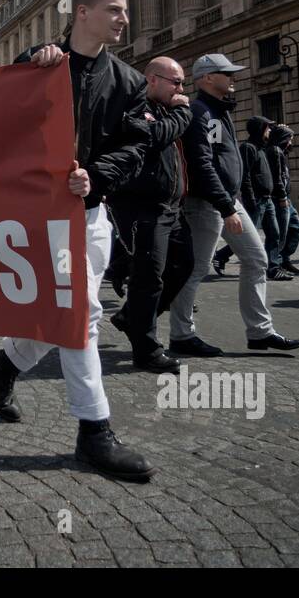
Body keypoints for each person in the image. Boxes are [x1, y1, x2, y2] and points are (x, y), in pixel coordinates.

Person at [0, 0, 157, 482]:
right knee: (83, 311)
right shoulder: (41, 65)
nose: (124, 20)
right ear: (82, 13)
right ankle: (94, 432)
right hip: (38, 214)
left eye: (126, 11)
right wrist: (28, 64)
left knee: (68, 307)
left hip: (91, 211)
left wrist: (96, 175)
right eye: (114, 10)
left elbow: (136, 146)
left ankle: (3, 365)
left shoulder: (129, 82)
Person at [167, 54, 299, 354]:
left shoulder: (218, 110)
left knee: (257, 260)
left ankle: (259, 332)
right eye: (225, 73)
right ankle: (181, 335)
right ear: (206, 78)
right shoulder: (201, 111)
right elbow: (202, 163)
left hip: (228, 200)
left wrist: (232, 201)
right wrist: (226, 206)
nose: (233, 77)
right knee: (197, 268)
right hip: (207, 203)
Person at [107, 56, 195, 374]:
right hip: (141, 207)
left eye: (183, 83)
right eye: (176, 82)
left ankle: (131, 316)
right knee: (148, 279)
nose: (182, 90)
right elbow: (155, 137)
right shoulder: (135, 106)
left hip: (170, 207)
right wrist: (183, 111)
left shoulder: (165, 110)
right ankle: (146, 350)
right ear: (153, 80)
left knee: (184, 265)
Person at [212, 116, 290, 280]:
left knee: (274, 234)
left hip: (267, 200)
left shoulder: (262, 148)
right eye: (267, 128)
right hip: (257, 200)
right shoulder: (248, 148)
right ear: (260, 129)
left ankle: (273, 268)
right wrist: (251, 200)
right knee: (246, 235)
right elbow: (245, 176)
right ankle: (221, 256)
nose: (269, 131)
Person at [268, 125, 299, 274]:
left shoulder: (281, 151)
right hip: (279, 199)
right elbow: (277, 178)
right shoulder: (275, 151)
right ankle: (274, 265)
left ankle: (284, 259)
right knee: (279, 235)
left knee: (296, 229)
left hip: (286, 199)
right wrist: (282, 196)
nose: (291, 143)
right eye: (289, 139)